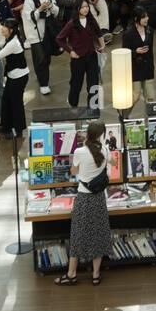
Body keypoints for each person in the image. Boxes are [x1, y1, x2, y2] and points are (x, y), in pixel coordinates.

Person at [54, 120, 111, 287]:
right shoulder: (106, 150)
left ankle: (71, 274)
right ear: (102, 135)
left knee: (78, 235)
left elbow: (74, 171)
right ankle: (95, 275)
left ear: (88, 133)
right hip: (99, 198)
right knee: (98, 234)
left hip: (84, 198)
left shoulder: (79, 151)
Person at [56, 0, 104, 109]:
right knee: (76, 85)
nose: (85, 9)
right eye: (82, 7)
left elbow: (99, 32)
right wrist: (70, 51)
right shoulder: (72, 24)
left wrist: (102, 45)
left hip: (92, 57)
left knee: (93, 85)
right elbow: (60, 39)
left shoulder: (91, 21)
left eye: (87, 6)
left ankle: (92, 110)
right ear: (77, 8)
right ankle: (73, 105)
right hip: (78, 59)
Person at [0, 16, 29, 139]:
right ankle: (6, 126)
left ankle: (17, 130)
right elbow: (1, 44)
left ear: (12, 30)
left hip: (19, 77)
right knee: (6, 100)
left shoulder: (13, 43)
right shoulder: (10, 38)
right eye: (3, 25)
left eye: (5, 27)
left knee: (16, 103)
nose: (3, 28)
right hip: (13, 76)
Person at [22, 0, 58, 95]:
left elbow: (56, 12)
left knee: (46, 57)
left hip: (47, 31)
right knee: (40, 58)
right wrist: (40, 9)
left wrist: (51, 6)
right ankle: (44, 84)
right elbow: (28, 17)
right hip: (34, 33)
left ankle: (41, 75)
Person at [122, 6, 155, 109]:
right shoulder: (128, 33)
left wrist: (152, 66)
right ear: (136, 19)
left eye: (146, 16)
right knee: (135, 95)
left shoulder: (150, 31)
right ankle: (124, 115)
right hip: (135, 68)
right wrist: (135, 52)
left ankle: (150, 121)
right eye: (143, 17)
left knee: (150, 96)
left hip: (148, 67)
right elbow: (124, 51)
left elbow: (151, 50)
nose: (146, 19)